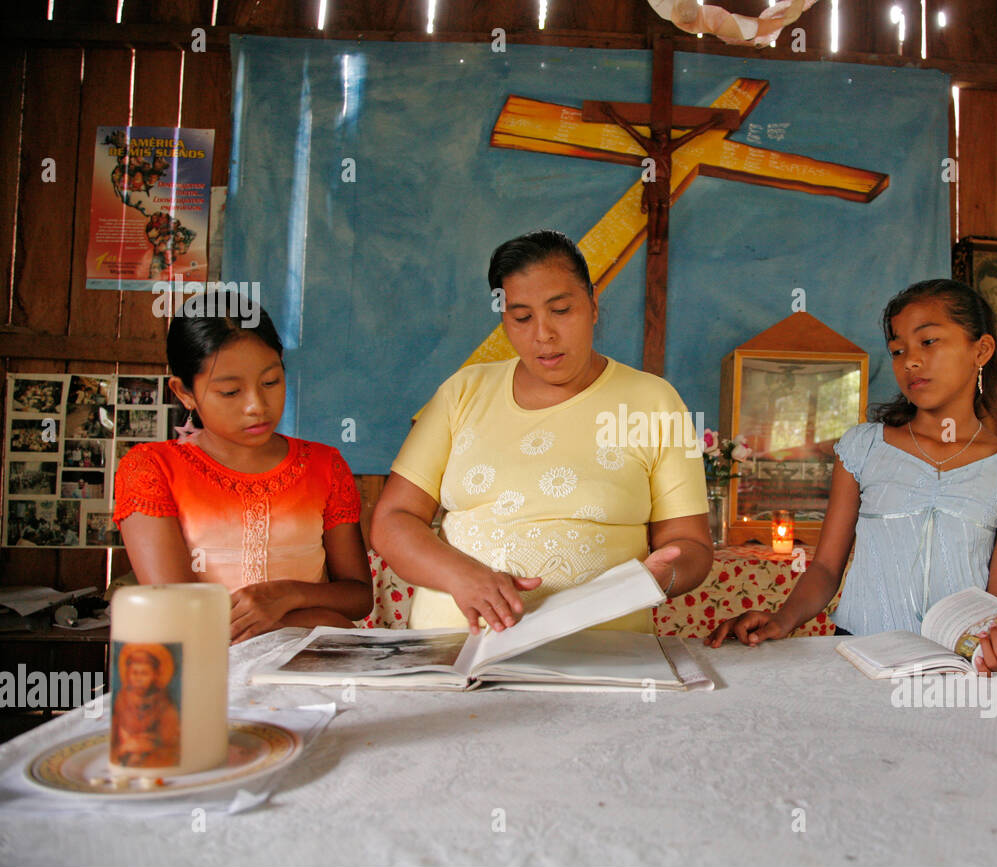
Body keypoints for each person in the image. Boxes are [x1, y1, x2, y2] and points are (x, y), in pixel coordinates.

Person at [371, 229, 711, 634]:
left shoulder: (654, 400)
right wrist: (462, 575)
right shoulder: (462, 392)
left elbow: (691, 545)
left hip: (602, 654)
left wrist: (657, 578)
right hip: (456, 650)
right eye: (522, 317)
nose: (543, 334)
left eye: (561, 310)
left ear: (593, 304)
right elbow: (393, 519)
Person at [705, 278, 997, 674]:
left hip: (957, 667)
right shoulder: (864, 448)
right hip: (860, 658)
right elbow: (825, 567)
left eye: (929, 342)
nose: (910, 361)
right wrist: (783, 618)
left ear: (982, 350)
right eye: (898, 350)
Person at [114, 291, 373, 643]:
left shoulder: (324, 465)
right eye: (231, 392)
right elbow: (180, 613)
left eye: (270, 382)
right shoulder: (151, 469)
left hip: (316, 667)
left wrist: (287, 595)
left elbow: (358, 598)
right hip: (206, 668)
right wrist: (319, 617)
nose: (256, 406)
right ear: (184, 392)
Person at [110, 644, 181, 768]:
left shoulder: (164, 703)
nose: (138, 678)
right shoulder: (122, 700)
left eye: (144, 673)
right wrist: (125, 747)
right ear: (127, 674)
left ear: (155, 676)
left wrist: (148, 745)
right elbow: (115, 739)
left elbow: (171, 741)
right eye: (134, 673)